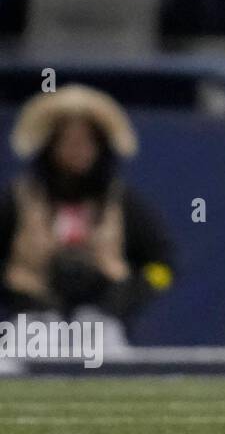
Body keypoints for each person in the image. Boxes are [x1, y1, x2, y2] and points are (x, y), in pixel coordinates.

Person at [0, 85, 174, 340]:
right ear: (50, 145)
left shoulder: (122, 202)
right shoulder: (18, 199)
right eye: (68, 141)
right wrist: (18, 296)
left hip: (101, 324)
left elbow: (163, 266)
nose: (78, 150)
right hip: (32, 325)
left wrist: (125, 297)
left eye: (87, 141)